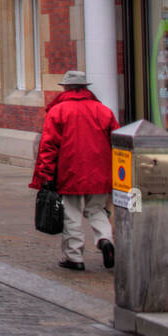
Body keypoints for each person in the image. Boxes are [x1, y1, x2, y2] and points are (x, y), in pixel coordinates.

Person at [28, 70, 117, 271]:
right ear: (85, 87)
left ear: (66, 88)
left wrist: (46, 175)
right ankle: (105, 239)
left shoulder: (58, 111)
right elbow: (117, 141)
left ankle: (74, 256)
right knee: (97, 209)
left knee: (72, 214)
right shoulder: (103, 110)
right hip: (100, 172)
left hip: (70, 172)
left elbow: (48, 147)